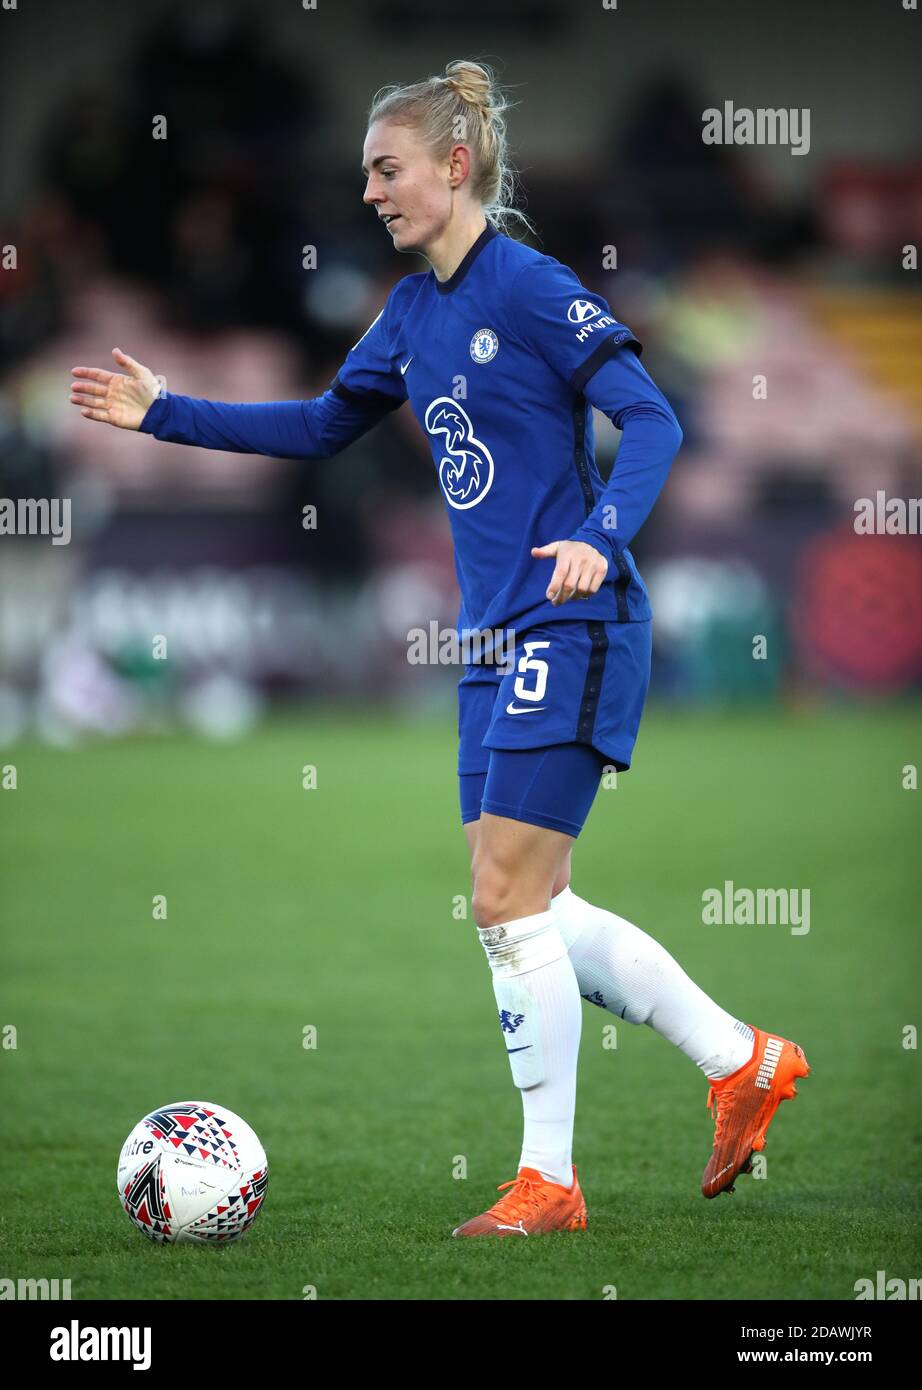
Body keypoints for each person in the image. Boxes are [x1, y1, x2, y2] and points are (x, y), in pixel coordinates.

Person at [70, 59, 809, 1238]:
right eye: (365, 171)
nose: (369, 192)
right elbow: (321, 425)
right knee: (529, 907)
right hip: (495, 639)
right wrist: (166, 411)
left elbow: (655, 417)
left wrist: (598, 530)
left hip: (575, 622)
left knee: (503, 900)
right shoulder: (411, 311)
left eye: (386, 168)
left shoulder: (528, 286)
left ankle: (550, 1184)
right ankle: (740, 1058)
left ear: (453, 167)